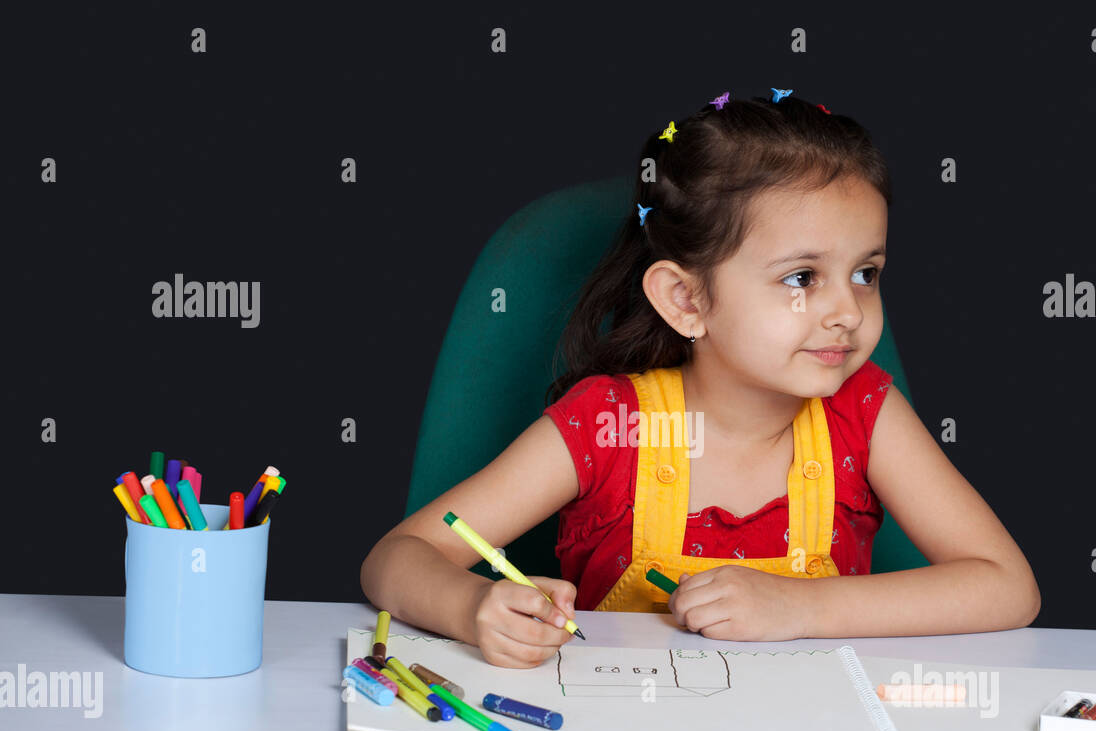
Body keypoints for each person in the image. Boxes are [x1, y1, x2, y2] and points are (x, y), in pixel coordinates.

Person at [361, 89, 1040, 668]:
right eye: (802, 278)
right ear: (687, 301)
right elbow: (396, 558)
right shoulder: (607, 422)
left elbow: (1008, 588)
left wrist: (801, 608)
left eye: (865, 273)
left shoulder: (868, 414)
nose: (847, 310)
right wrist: (474, 605)